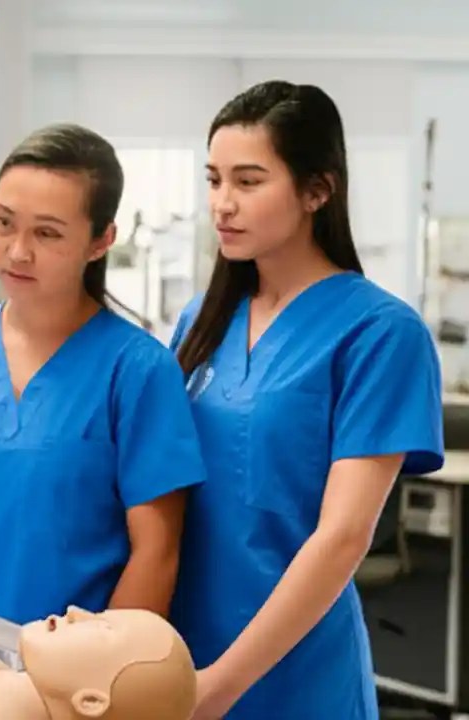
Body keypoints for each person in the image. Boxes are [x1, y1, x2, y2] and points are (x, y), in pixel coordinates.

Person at [168, 81, 445, 720]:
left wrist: (221, 687)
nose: (222, 204)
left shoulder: (380, 333)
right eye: (214, 180)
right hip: (181, 651)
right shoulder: (200, 322)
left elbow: (344, 535)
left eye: (249, 181)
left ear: (317, 191)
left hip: (292, 671)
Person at [0, 124, 207, 625]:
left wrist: (99, 676)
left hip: (60, 672)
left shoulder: (138, 372)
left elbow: (157, 552)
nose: (17, 251)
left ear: (101, 241)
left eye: (47, 233)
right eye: (4, 223)